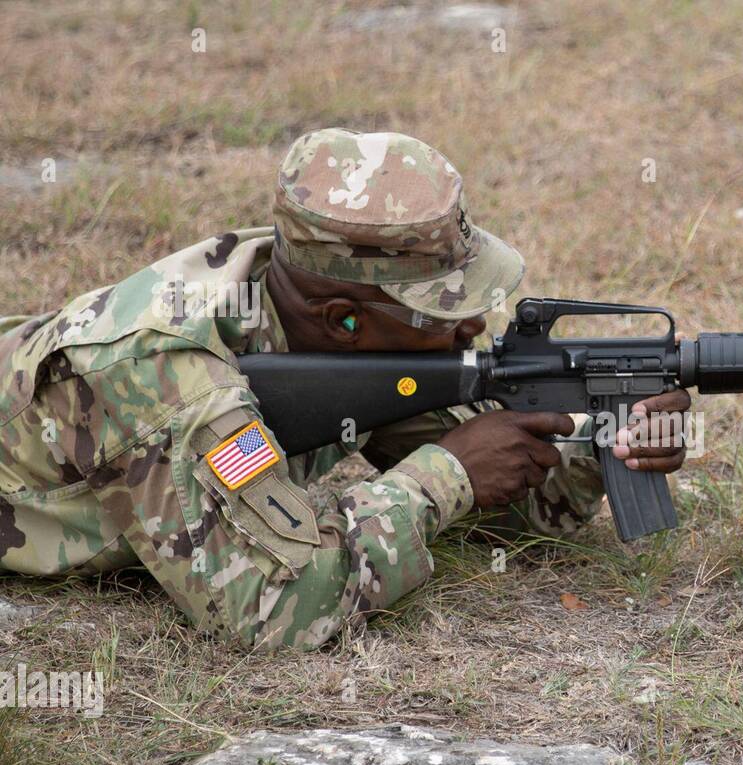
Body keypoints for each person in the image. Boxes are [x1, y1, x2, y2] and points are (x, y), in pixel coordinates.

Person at [0, 128, 690, 651]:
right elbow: (269, 608)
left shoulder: (334, 319)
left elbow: (517, 511)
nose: (474, 322)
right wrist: (442, 476)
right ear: (345, 320)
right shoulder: (168, 371)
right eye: (439, 307)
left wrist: (607, 442)